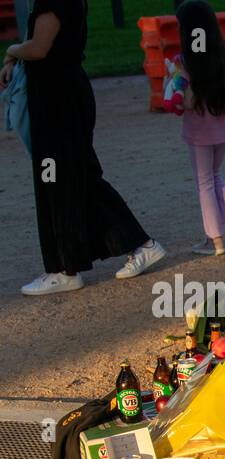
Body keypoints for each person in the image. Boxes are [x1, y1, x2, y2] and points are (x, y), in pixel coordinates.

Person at [1, 0, 165, 296]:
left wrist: (12, 50)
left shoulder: (53, 4)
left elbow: (39, 48)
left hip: (57, 103)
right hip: (62, 99)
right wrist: (14, 58)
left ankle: (65, 268)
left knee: (59, 181)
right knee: (77, 178)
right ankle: (132, 246)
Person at [172, 0, 225, 257]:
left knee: (205, 181)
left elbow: (188, 101)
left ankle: (217, 239)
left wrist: (176, 82)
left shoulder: (186, 62)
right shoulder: (222, 56)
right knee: (215, 175)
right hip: (223, 127)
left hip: (200, 131)